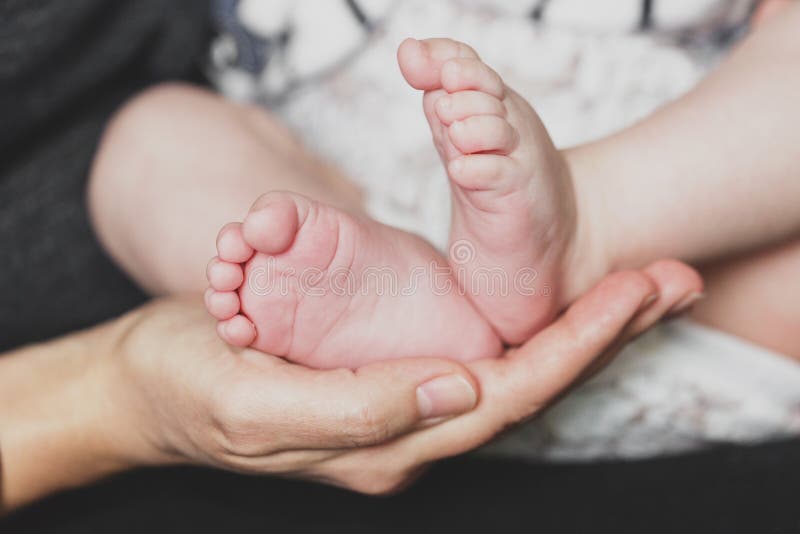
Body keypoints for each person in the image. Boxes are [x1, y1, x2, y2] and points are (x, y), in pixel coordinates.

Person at [0, 0, 699, 515]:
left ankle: (592, 213)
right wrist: (109, 391)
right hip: (347, 144)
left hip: (680, 131)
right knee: (151, 149)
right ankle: (416, 302)